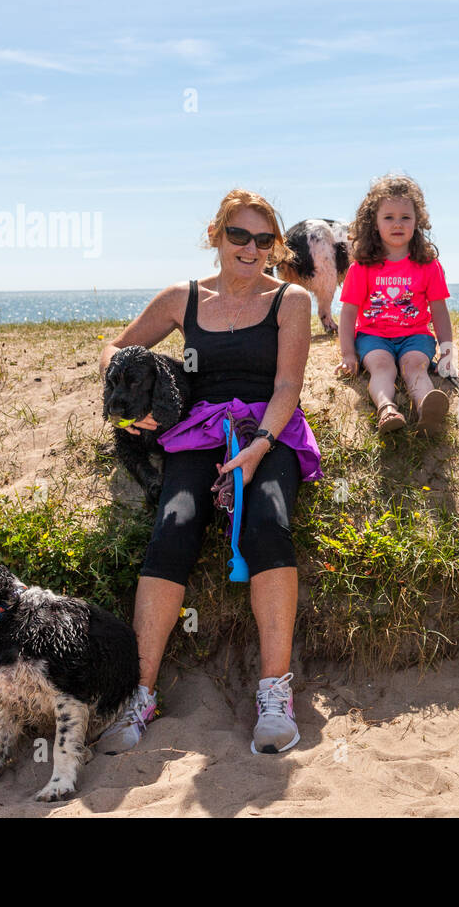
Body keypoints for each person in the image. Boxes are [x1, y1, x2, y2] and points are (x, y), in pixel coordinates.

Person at [95, 189, 319, 755]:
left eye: (263, 239)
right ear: (217, 236)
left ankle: (275, 692)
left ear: (275, 247)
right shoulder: (182, 297)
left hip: (268, 430)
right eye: (239, 235)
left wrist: (259, 447)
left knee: (266, 523)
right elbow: (114, 348)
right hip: (196, 431)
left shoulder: (291, 300)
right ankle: (140, 694)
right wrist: (129, 388)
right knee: (174, 527)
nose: (250, 248)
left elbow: (288, 386)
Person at [334, 175, 455, 435]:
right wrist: (348, 354)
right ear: (374, 223)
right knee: (382, 366)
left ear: (417, 221)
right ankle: (387, 408)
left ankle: (426, 409)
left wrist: (446, 353)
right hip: (374, 337)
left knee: (415, 367)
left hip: (415, 337)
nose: (397, 224)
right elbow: (348, 313)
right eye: (388, 217)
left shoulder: (428, 266)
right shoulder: (362, 267)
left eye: (405, 217)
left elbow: (439, 312)